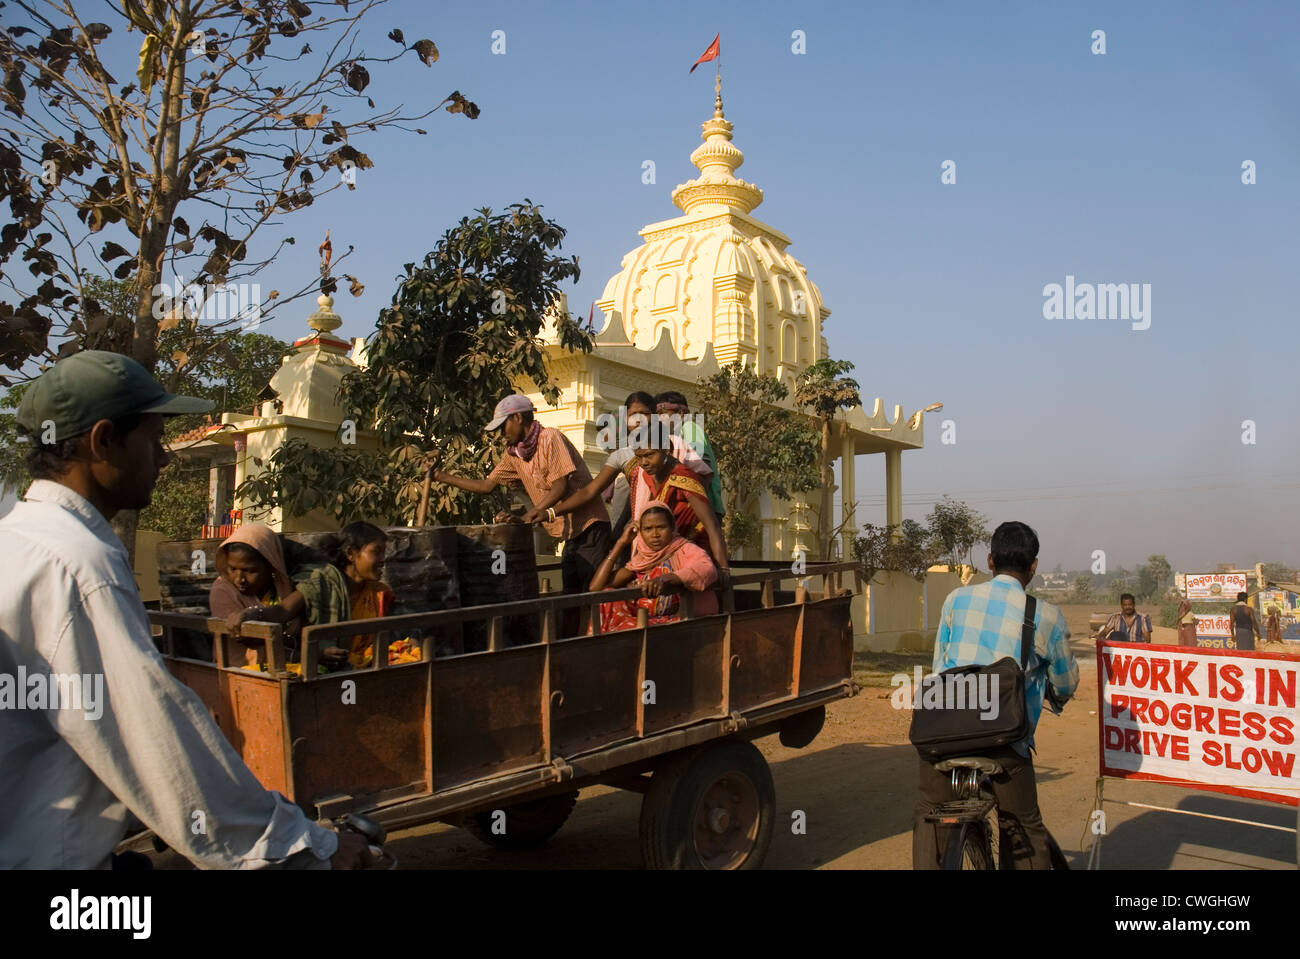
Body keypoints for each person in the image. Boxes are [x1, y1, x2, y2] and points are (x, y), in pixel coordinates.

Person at [0, 350, 368, 869]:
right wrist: (307, 848)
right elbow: (156, 737)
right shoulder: (80, 564)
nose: (165, 459)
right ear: (104, 440)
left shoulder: (16, 537)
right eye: (152, 440)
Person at [913, 521, 1079, 870]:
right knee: (1021, 824)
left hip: (944, 732)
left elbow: (942, 666)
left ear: (989, 561)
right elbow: (1065, 682)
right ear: (1033, 567)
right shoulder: (1045, 616)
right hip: (1005, 741)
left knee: (930, 814)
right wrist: (1056, 697)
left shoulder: (955, 600)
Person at [430, 394, 613, 632]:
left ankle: (598, 644)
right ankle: (569, 647)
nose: (502, 433)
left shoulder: (550, 437)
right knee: (570, 598)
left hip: (590, 526)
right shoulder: (514, 454)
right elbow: (487, 486)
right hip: (568, 533)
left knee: (592, 594)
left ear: (517, 417)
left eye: (504, 426)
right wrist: (441, 476)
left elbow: (560, 485)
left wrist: (535, 513)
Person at [524, 392, 713, 536]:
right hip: (643, 529)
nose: (638, 420)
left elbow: (697, 482)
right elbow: (590, 491)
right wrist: (549, 512)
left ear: (655, 417)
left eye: (644, 414)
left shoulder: (674, 444)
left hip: (680, 528)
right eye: (633, 415)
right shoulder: (622, 455)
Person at [292, 522, 417, 669]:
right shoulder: (322, 584)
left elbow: (399, 634)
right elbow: (282, 612)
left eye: (384, 552)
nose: (383, 559)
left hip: (368, 671)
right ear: (351, 553)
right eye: (376, 552)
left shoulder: (380, 594)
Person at [588, 504, 719, 631]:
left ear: (672, 527)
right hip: (643, 621)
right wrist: (621, 543)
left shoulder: (685, 549)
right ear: (640, 531)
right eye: (648, 529)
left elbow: (706, 569)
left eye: (661, 527)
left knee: (627, 632)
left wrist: (666, 579)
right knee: (607, 597)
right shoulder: (641, 560)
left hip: (676, 622)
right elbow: (596, 587)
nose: (655, 534)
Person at [628, 436, 729, 572]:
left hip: (692, 553)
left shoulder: (683, 478)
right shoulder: (648, 476)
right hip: (662, 553)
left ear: (667, 450)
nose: (643, 462)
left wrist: (723, 569)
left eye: (649, 455)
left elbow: (712, 526)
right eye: (639, 457)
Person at [209, 523, 305, 661]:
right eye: (233, 569)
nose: (240, 579)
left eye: (250, 571)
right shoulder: (223, 590)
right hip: (240, 670)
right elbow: (250, 638)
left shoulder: (282, 587)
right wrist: (309, 656)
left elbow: (288, 611)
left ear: (271, 565)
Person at [654, 390, 725, 520]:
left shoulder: (690, 427)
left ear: (680, 414)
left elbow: (699, 469)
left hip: (702, 509)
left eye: (662, 414)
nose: (658, 419)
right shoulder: (672, 437)